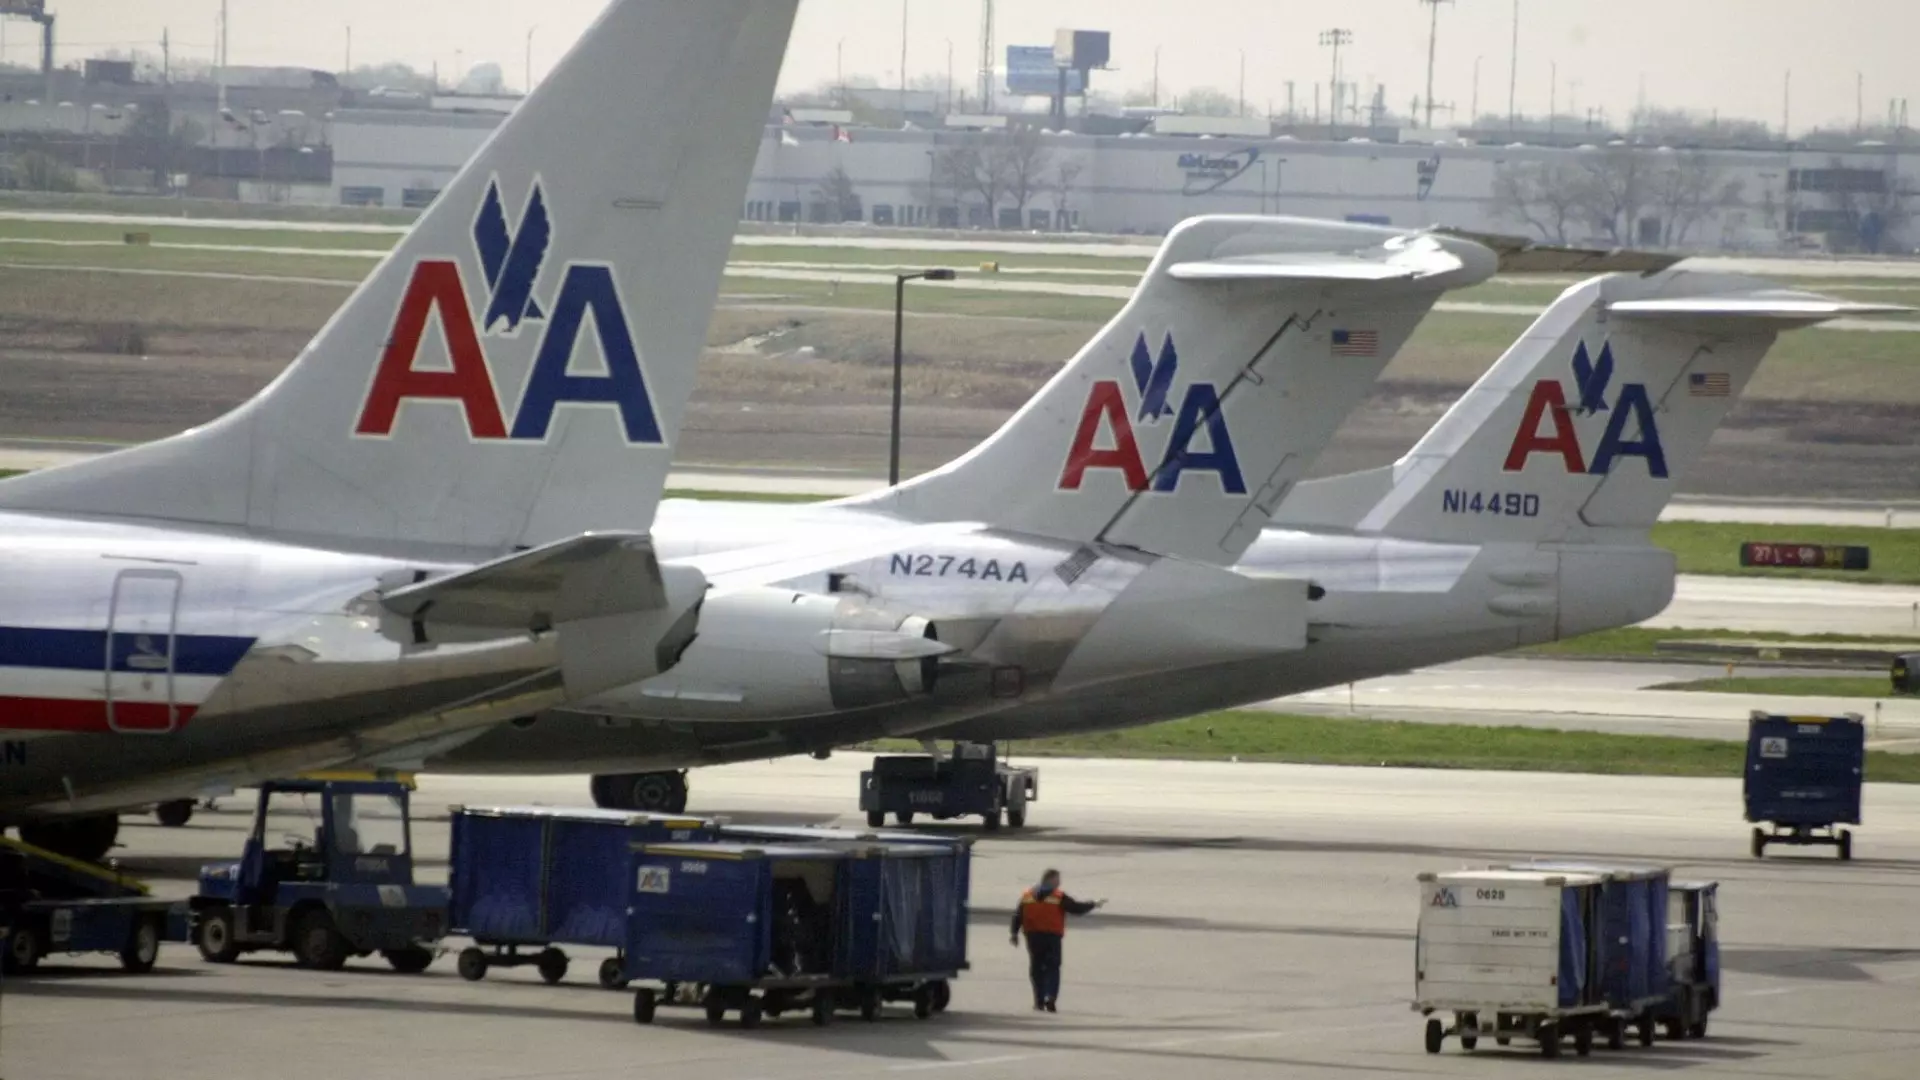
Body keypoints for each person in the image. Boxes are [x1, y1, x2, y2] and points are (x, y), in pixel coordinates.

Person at [1010, 869, 1104, 1012]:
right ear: (1051, 880)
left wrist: (1014, 934)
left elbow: (1017, 915)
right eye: (1057, 879)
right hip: (1052, 937)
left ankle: (1039, 1001)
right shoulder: (1058, 896)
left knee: (1036, 969)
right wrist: (1093, 904)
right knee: (1053, 967)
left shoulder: (1027, 895)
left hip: (1033, 937)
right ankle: (1050, 997)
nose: (1059, 882)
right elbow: (1076, 908)